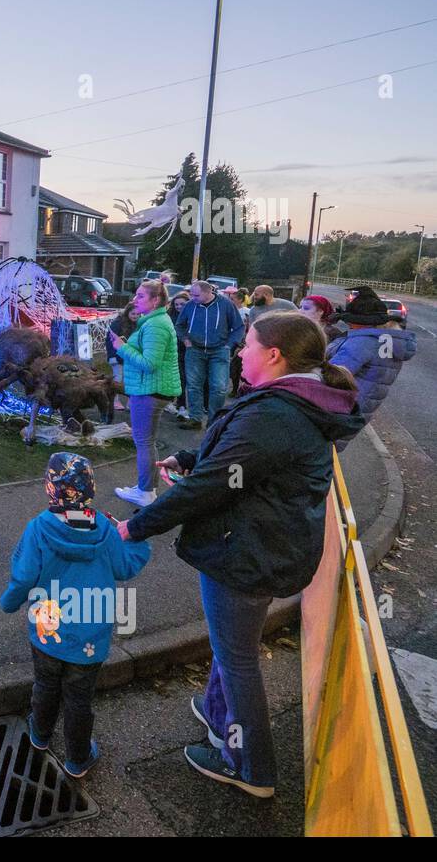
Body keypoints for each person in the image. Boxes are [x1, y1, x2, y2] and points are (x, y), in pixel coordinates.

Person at [118, 312, 364, 797]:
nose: (238, 351)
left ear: (274, 355)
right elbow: (242, 460)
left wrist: (135, 527)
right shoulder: (288, 400)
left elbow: (215, 484)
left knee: (237, 660)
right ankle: (219, 718)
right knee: (229, 646)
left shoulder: (277, 411)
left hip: (247, 551)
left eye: (247, 344)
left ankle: (252, 768)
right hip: (257, 543)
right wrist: (190, 459)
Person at [0, 453, 150, 778]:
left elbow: (24, 576)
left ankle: (39, 734)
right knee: (79, 699)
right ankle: (78, 758)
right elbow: (125, 566)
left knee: (45, 685)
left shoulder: (39, 528)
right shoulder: (106, 531)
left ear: (51, 489)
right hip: (89, 639)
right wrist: (140, 542)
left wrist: (9, 602)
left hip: (45, 631)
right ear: (90, 489)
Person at [108, 279, 180, 506]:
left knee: (144, 442)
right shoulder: (153, 321)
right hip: (150, 389)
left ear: (155, 300)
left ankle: (146, 492)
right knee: (146, 441)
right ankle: (145, 488)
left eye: (140, 296)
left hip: (150, 391)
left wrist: (123, 348)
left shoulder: (156, 325)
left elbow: (150, 364)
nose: (134, 300)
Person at [326, 286, 416, 425]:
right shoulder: (386, 341)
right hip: (360, 410)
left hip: (338, 409)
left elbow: (331, 376)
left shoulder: (361, 343)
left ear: (355, 321)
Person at [175, 280, 245, 429]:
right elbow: (179, 325)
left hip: (219, 350)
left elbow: (238, 327)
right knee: (194, 385)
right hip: (195, 350)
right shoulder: (190, 305)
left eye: (196, 294)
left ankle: (214, 421)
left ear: (208, 292)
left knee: (219, 387)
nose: (192, 297)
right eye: (192, 294)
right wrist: (185, 340)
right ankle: (195, 419)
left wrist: (229, 345)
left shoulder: (226, 305)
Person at [105, 300, 137, 411]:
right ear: (127, 312)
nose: (135, 316)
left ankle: (131, 402)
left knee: (132, 379)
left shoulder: (139, 324)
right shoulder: (118, 323)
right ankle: (114, 400)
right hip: (118, 356)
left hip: (131, 357)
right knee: (117, 378)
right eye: (133, 314)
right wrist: (111, 356)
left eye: (138, 314)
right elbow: (110, 340)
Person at [164, 290, 191, 416]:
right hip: (174, 352)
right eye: (176, 305)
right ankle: (180, 404)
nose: (179, 307)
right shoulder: (170, 316)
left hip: (190, 351)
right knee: (179, 379)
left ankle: (182, 404)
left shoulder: (193, 315)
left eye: (182, 304)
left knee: (188, 380)